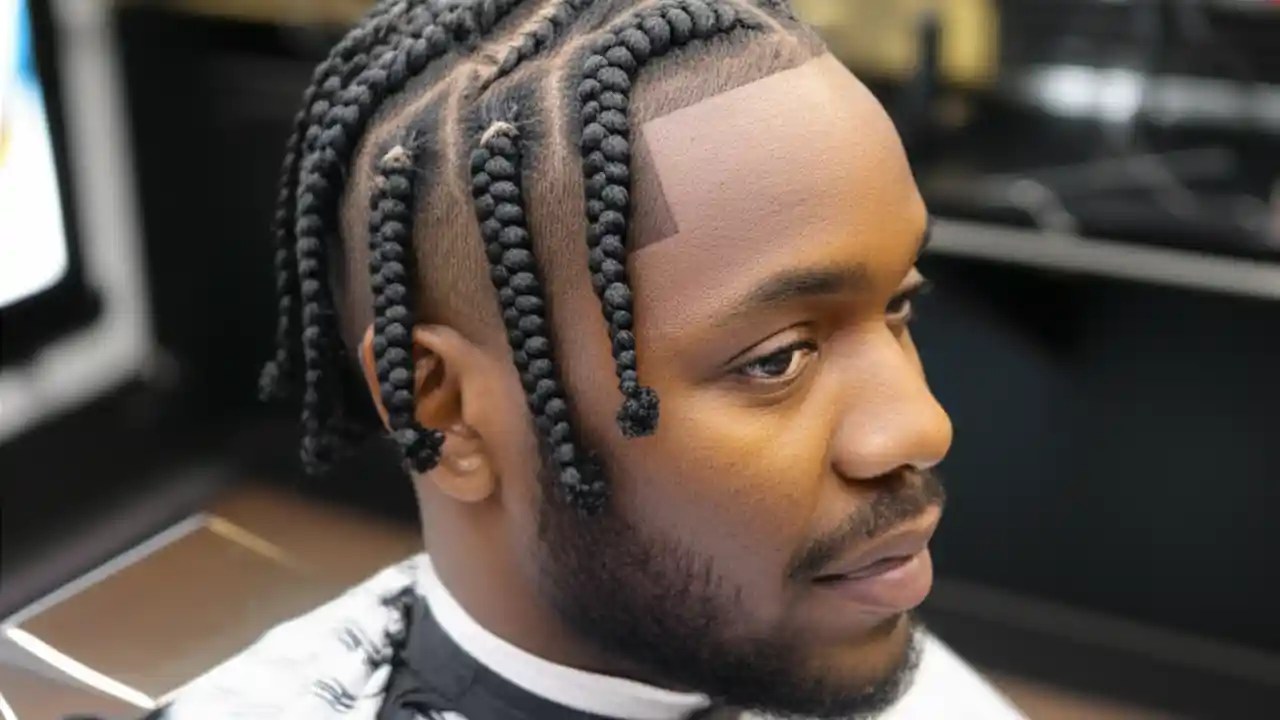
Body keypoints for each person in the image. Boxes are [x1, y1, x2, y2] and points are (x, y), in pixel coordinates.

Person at [157, 0, 1026, 717]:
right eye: (776, 360)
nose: (920, 425)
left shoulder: (834, 641)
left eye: (899, 304)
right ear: (445, 413)